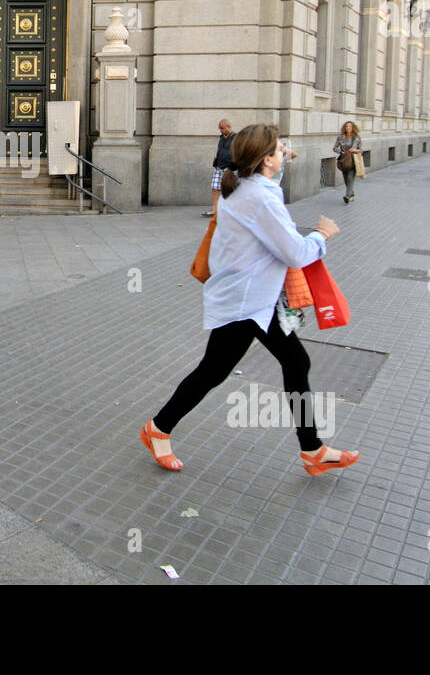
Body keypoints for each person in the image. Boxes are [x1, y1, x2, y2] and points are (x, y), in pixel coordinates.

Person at [140, 123, 358, 477]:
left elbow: (272, 224)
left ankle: (313, 449)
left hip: (257, 300)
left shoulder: (246, 186)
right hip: (245, 302)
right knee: (214, 371)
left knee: (294, 363)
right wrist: (322, 233)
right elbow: (295, 253)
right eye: (279, 149)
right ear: (266, 159)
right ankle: (158, 428)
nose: (284, 152)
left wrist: (278, 163)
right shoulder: (259, 196)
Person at [204, 119, 235, 218]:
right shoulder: (221, 137)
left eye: (222, 128)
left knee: (229, 188)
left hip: (229, 167)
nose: (220, 130)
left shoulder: (235, 137)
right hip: (219, 165)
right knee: (215, 187)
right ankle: (214, 209)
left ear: (228, 127)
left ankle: (231, 209)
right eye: (219, 128)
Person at [333, 121, 362, 204]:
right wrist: (341, 152)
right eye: (346, 126)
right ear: (344, 128)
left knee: (350, 178)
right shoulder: (341, 137)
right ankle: (352, 195)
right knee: (346, 180)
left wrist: (355, 150)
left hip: (354, 160)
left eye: (350, 126)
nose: (348, 128)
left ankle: (347, 196)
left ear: (353, 128)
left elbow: (361, 150)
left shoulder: (356, 138)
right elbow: (335, 148)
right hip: (344, 160)